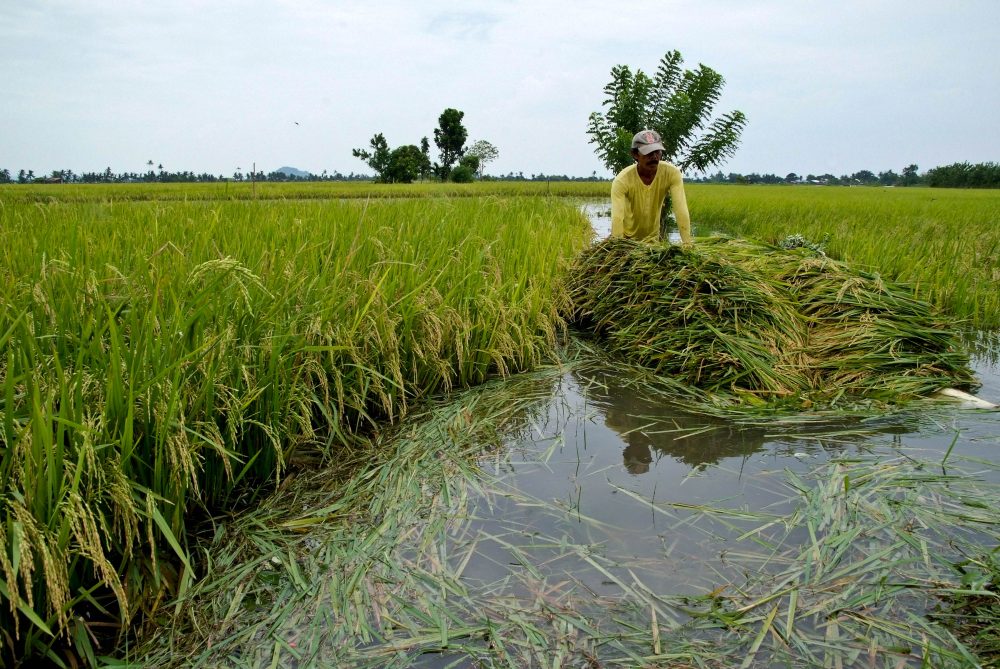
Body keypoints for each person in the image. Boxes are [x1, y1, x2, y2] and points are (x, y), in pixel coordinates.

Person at [610, 129, 692, 244]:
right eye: (648, 152)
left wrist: (687, 243)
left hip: (653, 242)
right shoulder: (622, 180)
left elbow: (681, 210)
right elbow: (617, 218)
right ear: (635, 154)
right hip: (627, 242)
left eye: (657, 152)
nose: (654, 157)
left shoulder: (671, 173)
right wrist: (617, 247)